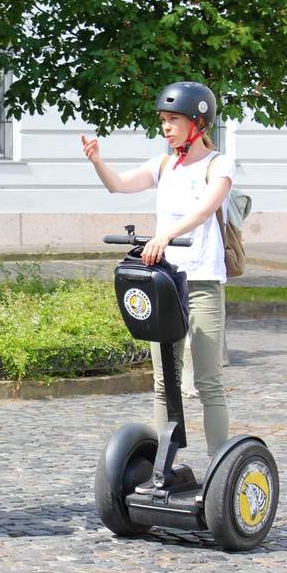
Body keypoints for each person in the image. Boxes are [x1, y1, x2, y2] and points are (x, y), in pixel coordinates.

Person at [81, 81, 232, 457]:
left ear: (198, 121)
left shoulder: (219, 164)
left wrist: (166, 235)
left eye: (173, 120)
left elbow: (204, 210)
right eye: (163, 120)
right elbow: (118, 186)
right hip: (166, 284)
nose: (166, 127)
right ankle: (166, 461)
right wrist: (98, 160)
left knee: (209, 381)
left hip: (202, 284)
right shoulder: (163, 165)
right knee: (165, 382)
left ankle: (219, 465)